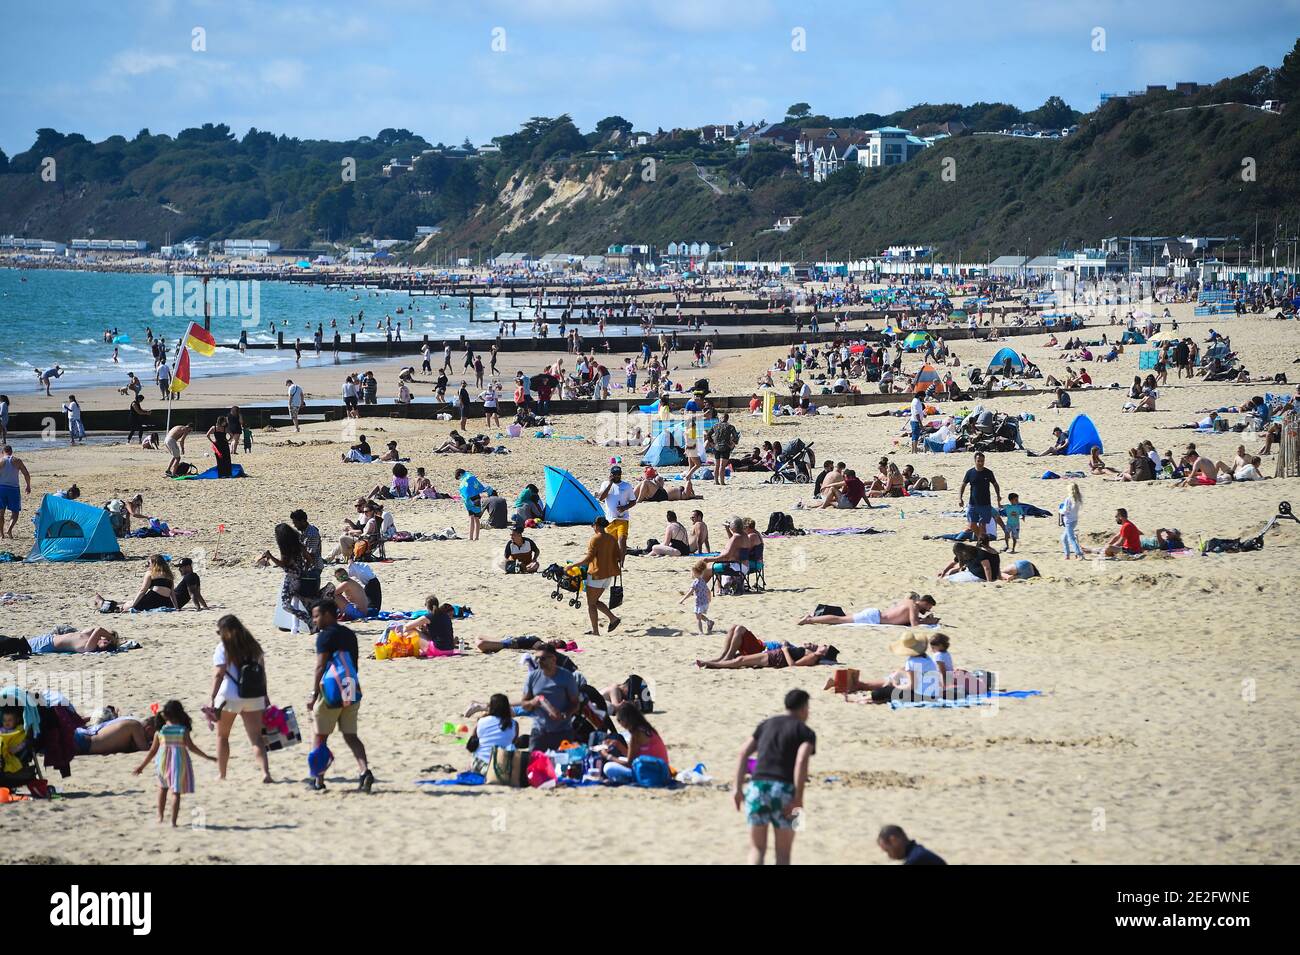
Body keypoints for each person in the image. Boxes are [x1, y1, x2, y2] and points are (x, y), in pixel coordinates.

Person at [734, 689, 816, 865]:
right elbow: (801, 761)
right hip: (784, 790)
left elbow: (742, 753)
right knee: (783, 854)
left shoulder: (766, 724)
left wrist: (737, 788)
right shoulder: (805, 732)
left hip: (756, 788)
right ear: (803, 709)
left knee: (757, 849)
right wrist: (799, 798)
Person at [308, 599, 373, 792]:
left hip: (330, 691)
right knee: (351, 736)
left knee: (320, 737)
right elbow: (354, 664)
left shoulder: (325, 637)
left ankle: (318, 780)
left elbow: (320, 666)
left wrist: (314, 694)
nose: (315, 620)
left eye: (316, 616)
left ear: (328, 615)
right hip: (351, 687)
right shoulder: (349, 634)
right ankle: (364, 771)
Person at [207, 614, 272, 783]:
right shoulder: (254, 646)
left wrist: (212, 698)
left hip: (229, 695)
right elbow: (262, 673)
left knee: (222, 736)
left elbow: (219, 674)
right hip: (254, 695)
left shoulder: (223, 647)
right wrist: (265, 695)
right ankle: (265, 773)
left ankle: (222, 774)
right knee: (257, 738)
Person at [132, 700, 214, 827]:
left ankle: (160, 817)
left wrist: (142, 766)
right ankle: (173, 822)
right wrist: (207, 757)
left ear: (165, 715)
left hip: (162, 763)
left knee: (162, 789)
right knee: (176, 793)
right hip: (179, 763)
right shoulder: (183, 730)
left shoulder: (160, 731)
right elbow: (192, 747)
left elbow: (152, 751)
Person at [566, 516, 622, 635]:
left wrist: (571, 566)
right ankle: (613, 619)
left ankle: (596, 630)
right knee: (595, 601)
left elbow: (588, 559)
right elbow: (619, 556)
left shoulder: (595, 539)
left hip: (597, 574)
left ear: (596, 526)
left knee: (591, 603)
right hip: (609, 575)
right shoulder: (612, 538)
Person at [520, 643, 580, 751]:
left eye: (542, 659)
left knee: (563, 766)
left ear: (553, 659)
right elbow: (524, 704)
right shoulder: (532, 677)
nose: (538, 662)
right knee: (534, 765)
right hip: (539, 731)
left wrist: (565, 714)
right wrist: (533, 702)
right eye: (536, 658)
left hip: (563, 731)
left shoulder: (566, 677)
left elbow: (575, 703)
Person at [600, 703, 670, 784]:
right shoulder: (646, 728)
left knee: (608, 767)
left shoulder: (636, 734)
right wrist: (618, 745)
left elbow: (629, 764)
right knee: (620, 758)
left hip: (652, 773)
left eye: (619, 720)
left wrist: (607, 756)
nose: (619, 723)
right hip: (663, 770)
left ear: (625, 720)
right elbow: (634, 756)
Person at [799, 593, 938, 627]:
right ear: (924, 602)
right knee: (839, 620)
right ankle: (810, 619)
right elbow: (914, 625)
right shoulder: (913, 605)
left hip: (874, 615)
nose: (927, 610)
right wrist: (928, 621)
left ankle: (814, 615)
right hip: (874, 618)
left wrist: (924, 619)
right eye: (928, 607)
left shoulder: (909, 602)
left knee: (843, 618)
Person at [466, 694, 517, 775]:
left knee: (474, 752)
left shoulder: (482, 721)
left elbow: (471, 744)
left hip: (481, 765)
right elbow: (513, 743)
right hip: (502, 767)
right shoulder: (514, 724)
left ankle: (469, 768)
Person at [596, 464, 636, 565]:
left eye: (618, 474)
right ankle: (612, 562)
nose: (616, 476)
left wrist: (624, 508)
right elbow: (601, 498)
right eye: (614, 474)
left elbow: (633, 501)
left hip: (623, 519)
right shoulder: (605, 484)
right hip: (610, 519)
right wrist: (610, 484)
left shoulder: (627, 486)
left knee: (622, 540)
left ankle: (621, 563)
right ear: (611, 475)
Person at [696, 641, 836, 670]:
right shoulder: (812, 654)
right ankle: (711, 663)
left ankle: (710, 664)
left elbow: (793, 665)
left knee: (741, 660)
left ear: (824, 652)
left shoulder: (813, 658)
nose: (823, 644)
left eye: (825, 646)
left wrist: (785, 650)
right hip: (776, 655)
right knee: (741, 659)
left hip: (777, 658)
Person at [959, 451, 1001, 537]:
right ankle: (980, 539)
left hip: (985, 504)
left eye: (982, 461)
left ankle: (982, 542)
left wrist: (998, 496)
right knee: (972, 525)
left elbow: (995, 484)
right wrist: (960, 498)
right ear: (975, 461)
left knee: (983, 525)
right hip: (973, 503)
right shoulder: (970, 473)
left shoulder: (988, 472)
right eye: (979, 461)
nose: (980, 463)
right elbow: (963, 485)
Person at [0, 445, 32, 540]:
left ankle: (1, 534)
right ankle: (9, 530)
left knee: (1, 513)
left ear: (3, 452)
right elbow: (26, 473)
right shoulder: (17, 461)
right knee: (15, 512)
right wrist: (28, 486)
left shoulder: (1, 461)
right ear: (11, 451)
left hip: (1, 488)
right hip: (13, 489)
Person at [877, 824, 946, 865]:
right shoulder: (918, 852)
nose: (889, 856)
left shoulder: (916, 858)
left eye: (887, 850)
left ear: (894, 840)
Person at [679, 559, 715, 633]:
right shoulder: (703, 581)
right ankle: (709, 622)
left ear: (695, 573)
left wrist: (682, 599)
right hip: (705, 602)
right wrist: (709, 599)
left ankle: (701, 632)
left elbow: (690, 593)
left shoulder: (695, 583)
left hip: (699, 603)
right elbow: (708, 591)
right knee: (699, 615)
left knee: (698, 618)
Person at [708, 413, 739, 486]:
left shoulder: (715, 426)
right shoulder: (730, 427)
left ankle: (716, 481)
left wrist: (712, 443)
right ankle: (722, 481)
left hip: (716, 447)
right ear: (727, 419)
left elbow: (708, 435)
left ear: (721, 418)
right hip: (725, 447)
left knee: (717, 465)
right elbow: (736, 437)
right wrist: (733, 444)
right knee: (722, 466)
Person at [456, 468, 485, 541]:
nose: (459, 479)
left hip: (469, 499)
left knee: (472, 518)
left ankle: (471, 537)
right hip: (476, 498)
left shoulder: (465, 479)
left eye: (458, 478)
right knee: (476, 518)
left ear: (460, 474)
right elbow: (478, 486)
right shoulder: (471, 476)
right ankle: (476, 537)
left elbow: (464, 490)